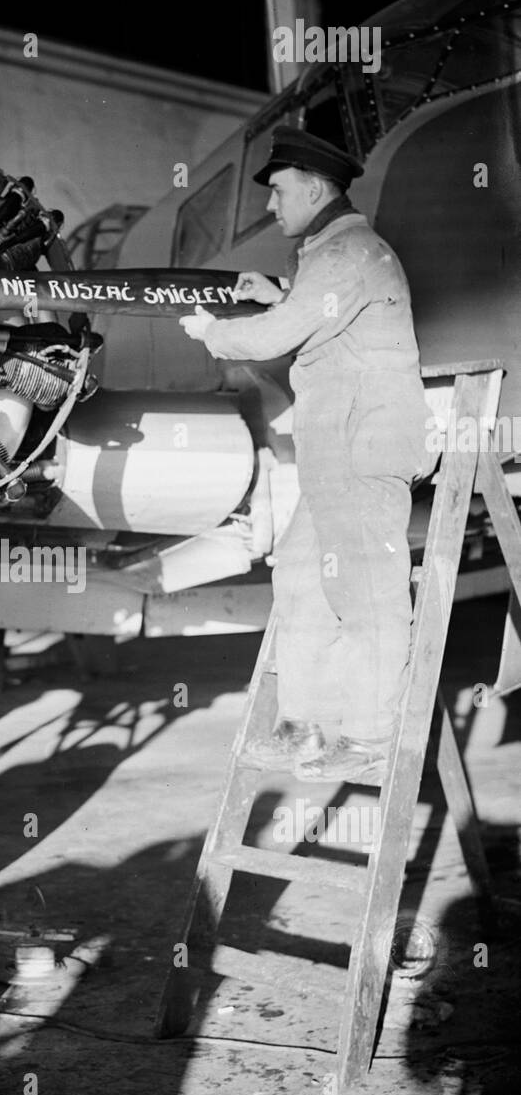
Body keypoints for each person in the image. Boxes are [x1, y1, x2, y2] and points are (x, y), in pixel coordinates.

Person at [180, 126, 430, 785]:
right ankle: (305, 723)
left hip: (364, 443)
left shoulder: (350, 249)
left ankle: (371, 734)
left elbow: (284, 334)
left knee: (366, 591)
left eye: (281, 192)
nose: (271, 206)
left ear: (315, 189)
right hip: (334, 447)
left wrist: (214, 332)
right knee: (297, 571)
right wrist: (280, 295)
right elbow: (315, 316)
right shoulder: (332, 254)